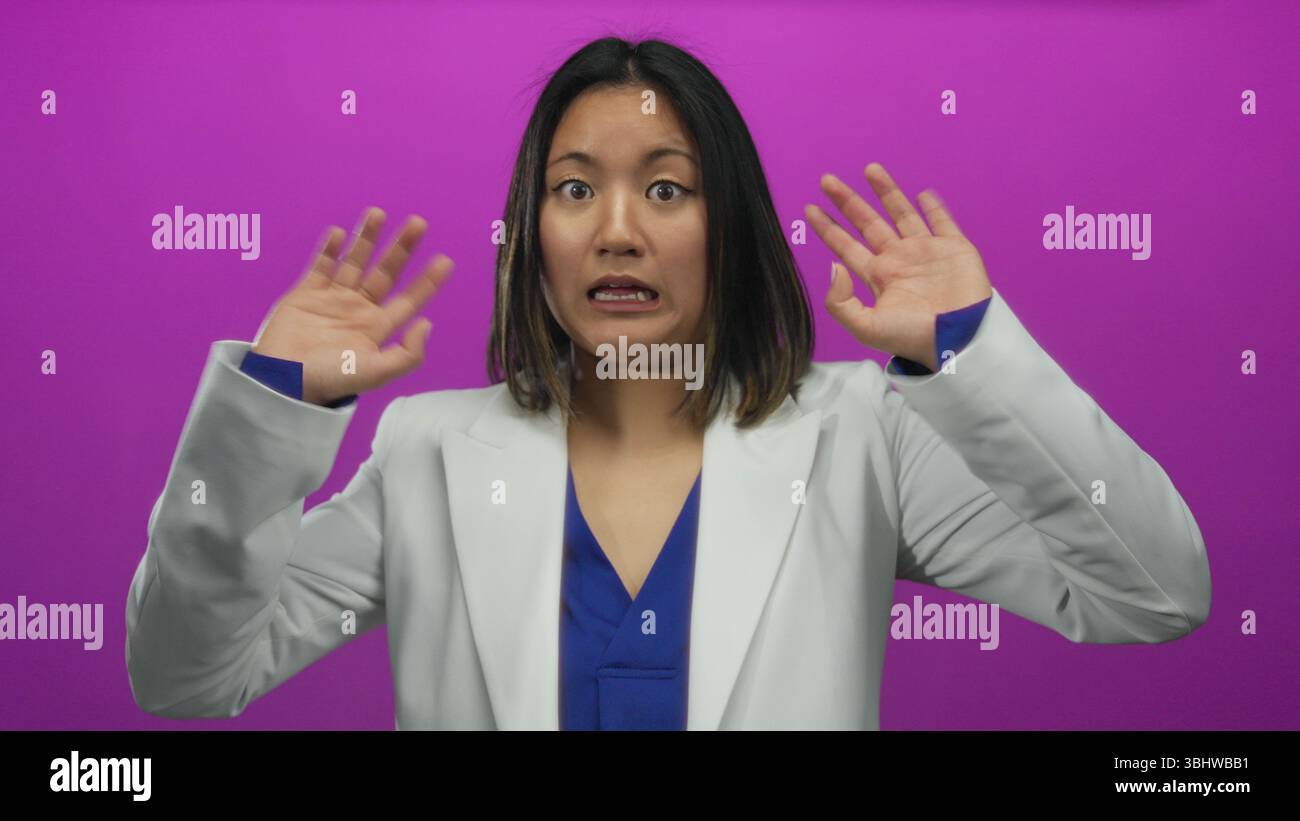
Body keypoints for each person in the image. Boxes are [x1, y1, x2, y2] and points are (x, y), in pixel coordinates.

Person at [125, 37, 1211, 730]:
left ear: (725, 225)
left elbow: (1154, 593)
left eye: (665, 188)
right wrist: (268, 407)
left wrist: (971, 347)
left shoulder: (864, 433)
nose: (616, 230)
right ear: (528, 238)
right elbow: (186, 676)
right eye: (571, 188)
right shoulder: (424, 447)